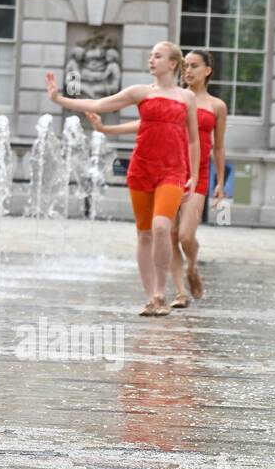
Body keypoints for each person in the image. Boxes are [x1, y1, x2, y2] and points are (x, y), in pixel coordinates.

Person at [46, 42, 199, 316]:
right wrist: (59, 98)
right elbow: (98, 104)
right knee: (144, 234)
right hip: (141, 169)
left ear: (173, 63)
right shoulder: (140, 92)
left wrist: (194, 175)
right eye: (151, 56)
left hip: (172, 171)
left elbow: (194, 141)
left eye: (158, 56)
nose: (152, 60)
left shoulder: (186, 98)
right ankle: (150, 296)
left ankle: (162, 293)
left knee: (162, 227)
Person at [86, 48, 227, 304]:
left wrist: (219, 182)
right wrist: (106, 128)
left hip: (197, 172)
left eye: (195, 66)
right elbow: (144, 124)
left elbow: (218, 146)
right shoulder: (172, 97)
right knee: (167, 231)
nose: (189, 70)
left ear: (208, 71)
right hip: (169, 167)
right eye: (186, 65)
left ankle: (192, 267)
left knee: (185, 235)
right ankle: (179, 292)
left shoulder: (216, 106)